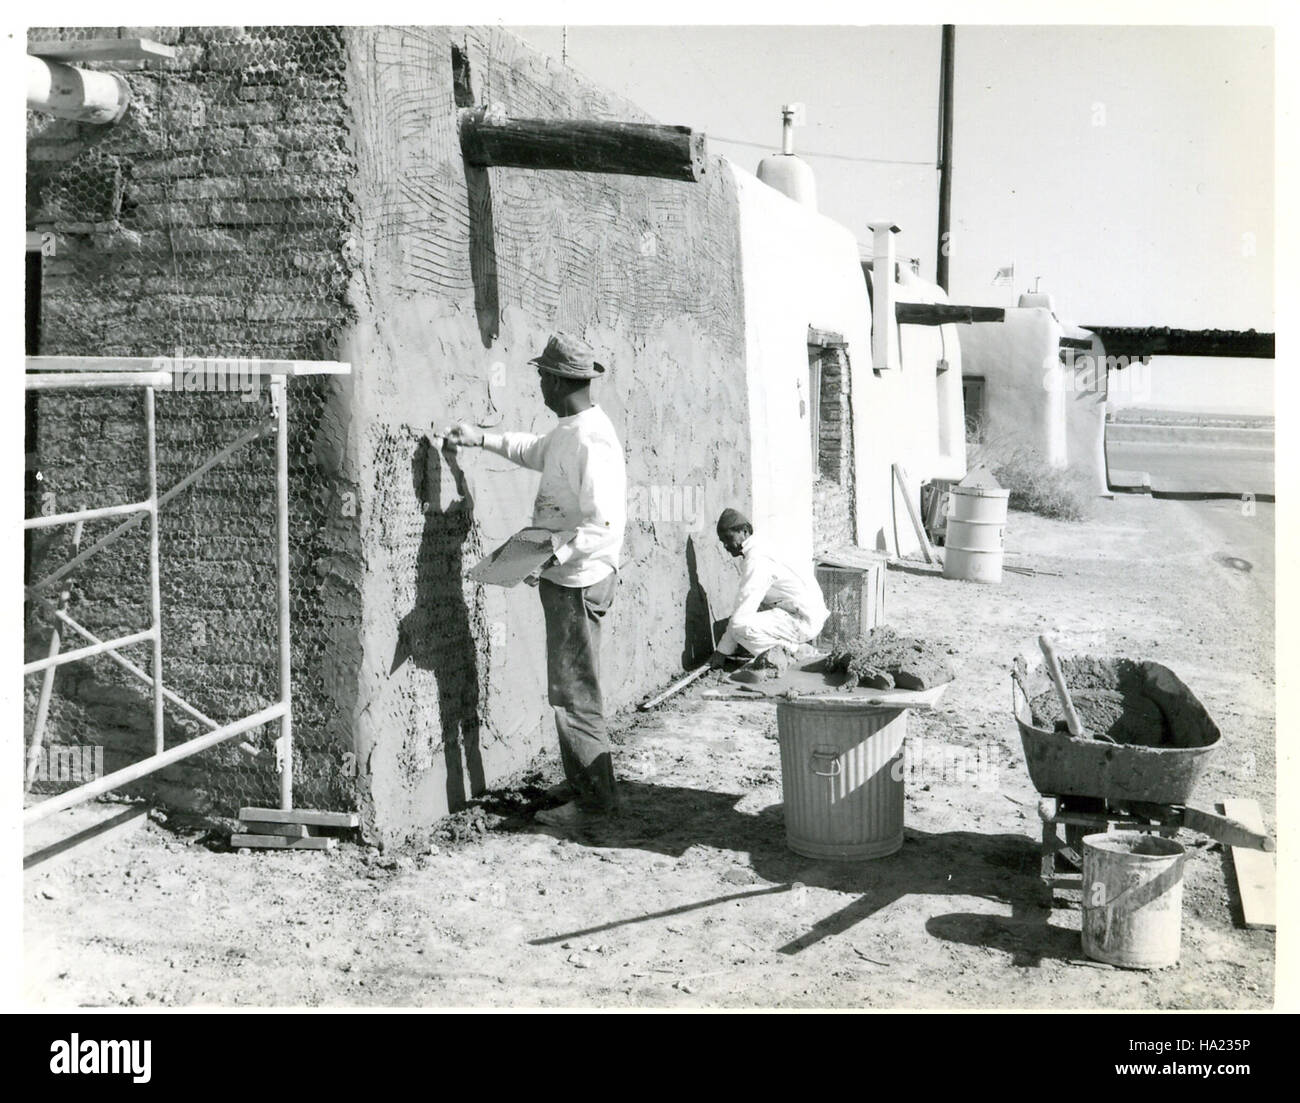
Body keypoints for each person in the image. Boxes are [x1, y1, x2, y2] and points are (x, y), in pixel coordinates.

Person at [442, 333, 626, 829]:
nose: (539, 382)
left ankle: (593, 806)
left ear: (562, 380)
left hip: (578, 579)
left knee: (574, 694)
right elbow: (534, 450)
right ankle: (585, 783)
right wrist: (480, 438)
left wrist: (546, 558)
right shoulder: (572, 428)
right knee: (569, 689)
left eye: (543, 375)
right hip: (568, 574)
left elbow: (602, 525)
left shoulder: (591, 438)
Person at [710, 508, 829, 669]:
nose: (725, 545)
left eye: (728, 538)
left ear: (744, 531)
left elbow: (743, 609)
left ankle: (795, 651)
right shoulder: (762, 546)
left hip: (803, 620)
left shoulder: (757, 559)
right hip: (804, 612)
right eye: (722, 540)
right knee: (740, 622)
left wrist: (721, 652)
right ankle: (791, 647)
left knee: (738, 625)